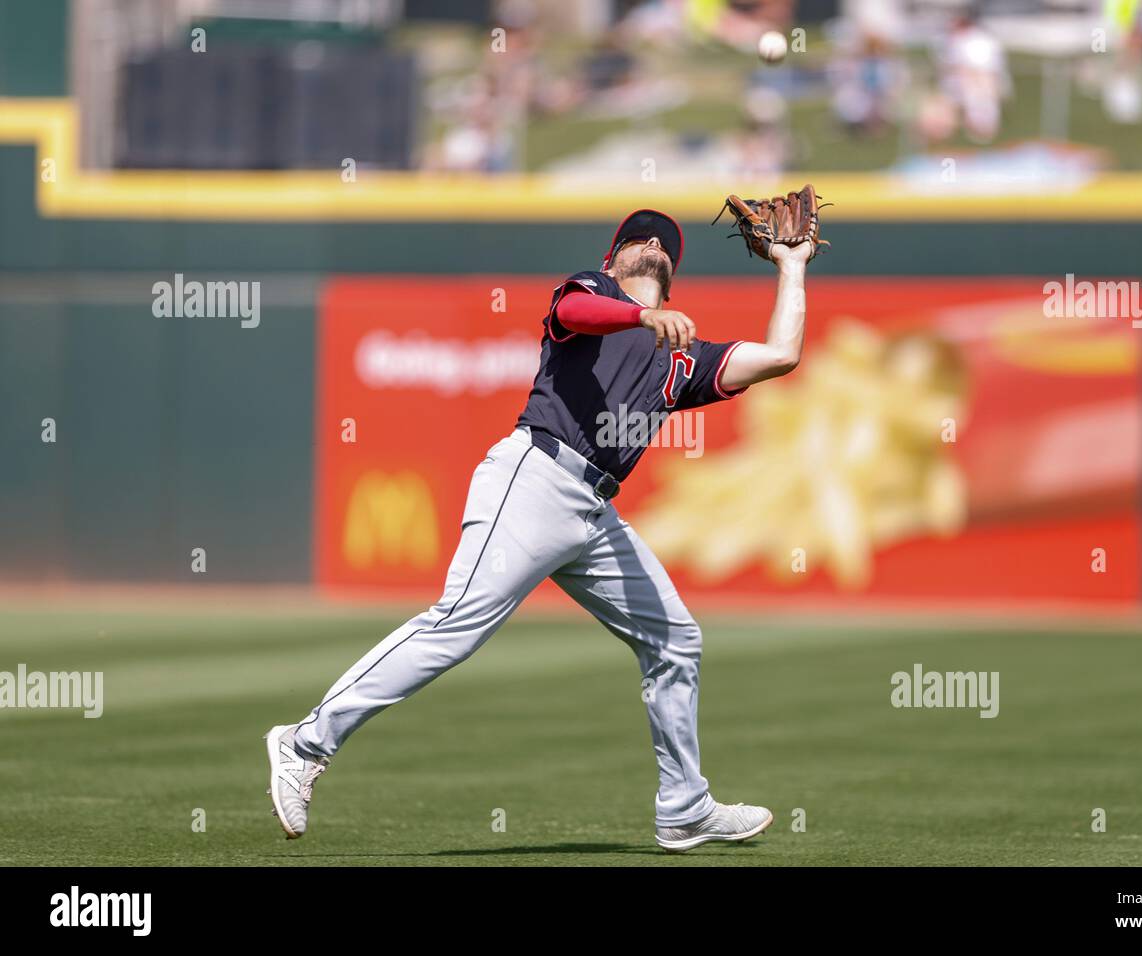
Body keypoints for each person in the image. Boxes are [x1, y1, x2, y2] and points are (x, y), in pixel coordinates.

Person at [264, 208, 814, 853]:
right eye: (637, 238)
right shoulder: (593, 291)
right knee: (453, 628)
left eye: (663, 244)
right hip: (535, 476)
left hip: (594, 511)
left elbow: (781, 355)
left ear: (674, 274)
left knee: (675, 641)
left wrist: (793, 267)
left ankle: (684, 807)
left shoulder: (680, 363)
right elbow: (577, 314)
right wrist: (640, 314)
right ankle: (304, 744)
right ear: (613, 259)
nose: (650, 245)